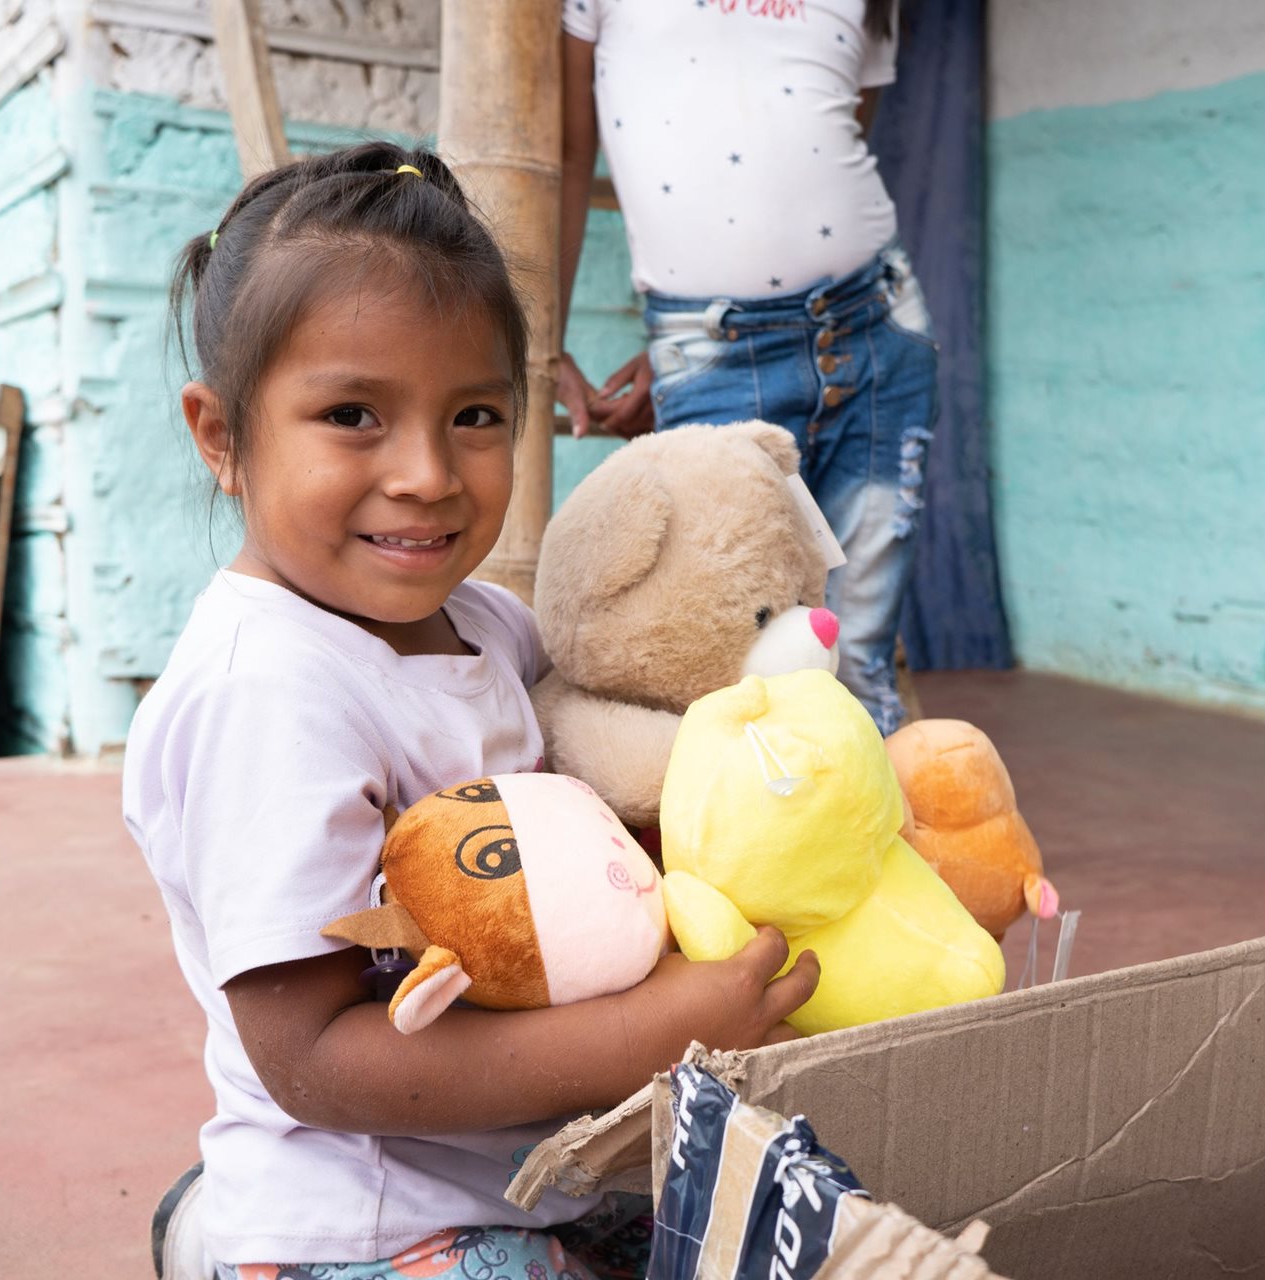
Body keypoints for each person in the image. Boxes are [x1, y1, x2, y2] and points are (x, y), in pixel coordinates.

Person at [127, 142, 819, 1280]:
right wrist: (651, 1036)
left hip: (543, 1165)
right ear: (222, 436)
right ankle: (221, 1240)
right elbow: (314, 1058)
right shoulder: (269, 691)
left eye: (476, 415)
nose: (428, 473)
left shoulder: (492, 625)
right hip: (366, 1213)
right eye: (353, 413)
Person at [557, 0, 935, 736]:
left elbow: (822, 142)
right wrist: (544, 342)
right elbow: (569, 158)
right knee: (729, 668)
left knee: (855, 662)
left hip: (879, 325)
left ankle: (877, 846)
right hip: (712, 351)